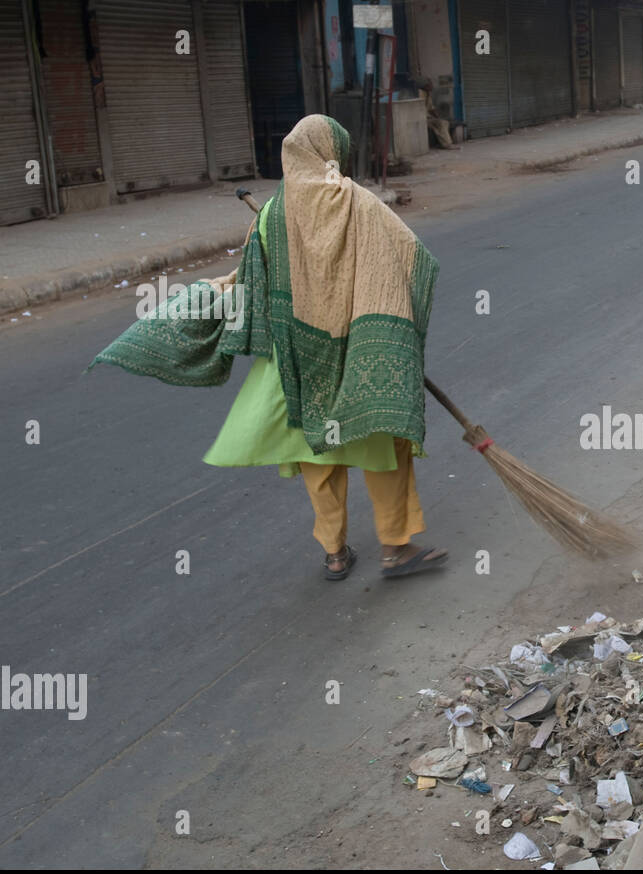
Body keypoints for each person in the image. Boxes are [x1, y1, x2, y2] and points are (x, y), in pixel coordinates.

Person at [90, 115, 449, 581]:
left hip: (296, 358)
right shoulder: (360, 203)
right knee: (382, 445)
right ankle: (395, 548)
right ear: (333, 152)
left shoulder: (273, 215)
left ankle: (335, 553)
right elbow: (409, 257)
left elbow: (250, 282)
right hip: (359, 351)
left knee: (316, 454)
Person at [419, 78, 453, 149]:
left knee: (444, 122)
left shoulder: (428, 94)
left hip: (428, 118)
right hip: (422, 118)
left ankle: (442, 143)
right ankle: (447, 144)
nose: (432, 86)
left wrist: (437, 117)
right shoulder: (420, 93)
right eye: (430, 84)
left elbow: (431, 109)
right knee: (441, 124)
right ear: (426, 86)